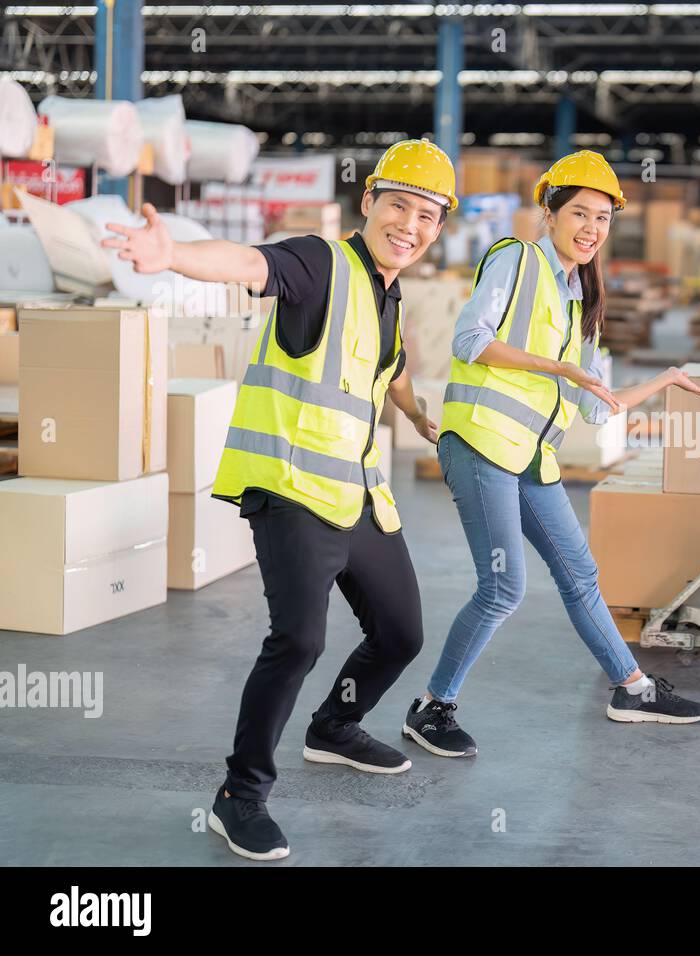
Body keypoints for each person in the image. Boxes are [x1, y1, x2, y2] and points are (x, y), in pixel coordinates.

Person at [103, 139, 454, 860]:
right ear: (370, 203)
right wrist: (172, 253)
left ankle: (334, 725)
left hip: (354, 492)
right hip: (292, 487)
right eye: (400, 206)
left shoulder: (389, 294)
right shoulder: (320, 262)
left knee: (401, 634)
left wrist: (419, 416)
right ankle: (240, 796)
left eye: (428, 216)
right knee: (298, 640)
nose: (411, 225)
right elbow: (247, 265)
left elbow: (387, 371)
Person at [402, 150, 700, 758]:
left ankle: (633, 689)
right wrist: (558, 366)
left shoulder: (581, 304)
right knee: (502, 587)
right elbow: (470, 340)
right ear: (548, 213)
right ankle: (432, 709)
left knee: (581, 575)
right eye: (580, 213)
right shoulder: (514, 261)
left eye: (603, 218)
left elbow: (598, 406)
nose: (592, 228)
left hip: (532, 460)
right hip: (480, 445)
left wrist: (666, 379)